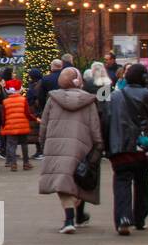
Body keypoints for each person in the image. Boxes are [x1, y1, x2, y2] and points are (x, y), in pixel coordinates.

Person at [39, 66, 102, 233]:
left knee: (62, 182)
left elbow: (44, 125)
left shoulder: (52, 99)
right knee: (78, 178)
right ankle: (77, 213)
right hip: (81, 146)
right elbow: (95, 127)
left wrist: (42, 143)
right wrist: (98, 145)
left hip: (56, 147)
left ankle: (69, 220)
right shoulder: (88, 101)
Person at [107, 64, 148, 234]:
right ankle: (140, 218)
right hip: (140, 145)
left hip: (119, 145)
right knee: (141, 182)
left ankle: (123, 218)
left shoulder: (114, 95)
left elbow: (107, 118)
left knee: (121, 181)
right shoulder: (147, 94)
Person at [0, 83, 36, 170]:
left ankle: (13, 164)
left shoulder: (5, 102)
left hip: (10, 126)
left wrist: (3, 125)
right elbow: (27, 114)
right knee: (24, 144)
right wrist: (35, 119)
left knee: (11, 145)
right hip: (22, 125)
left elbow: (3, 116)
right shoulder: (23, 100)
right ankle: (26, 163)